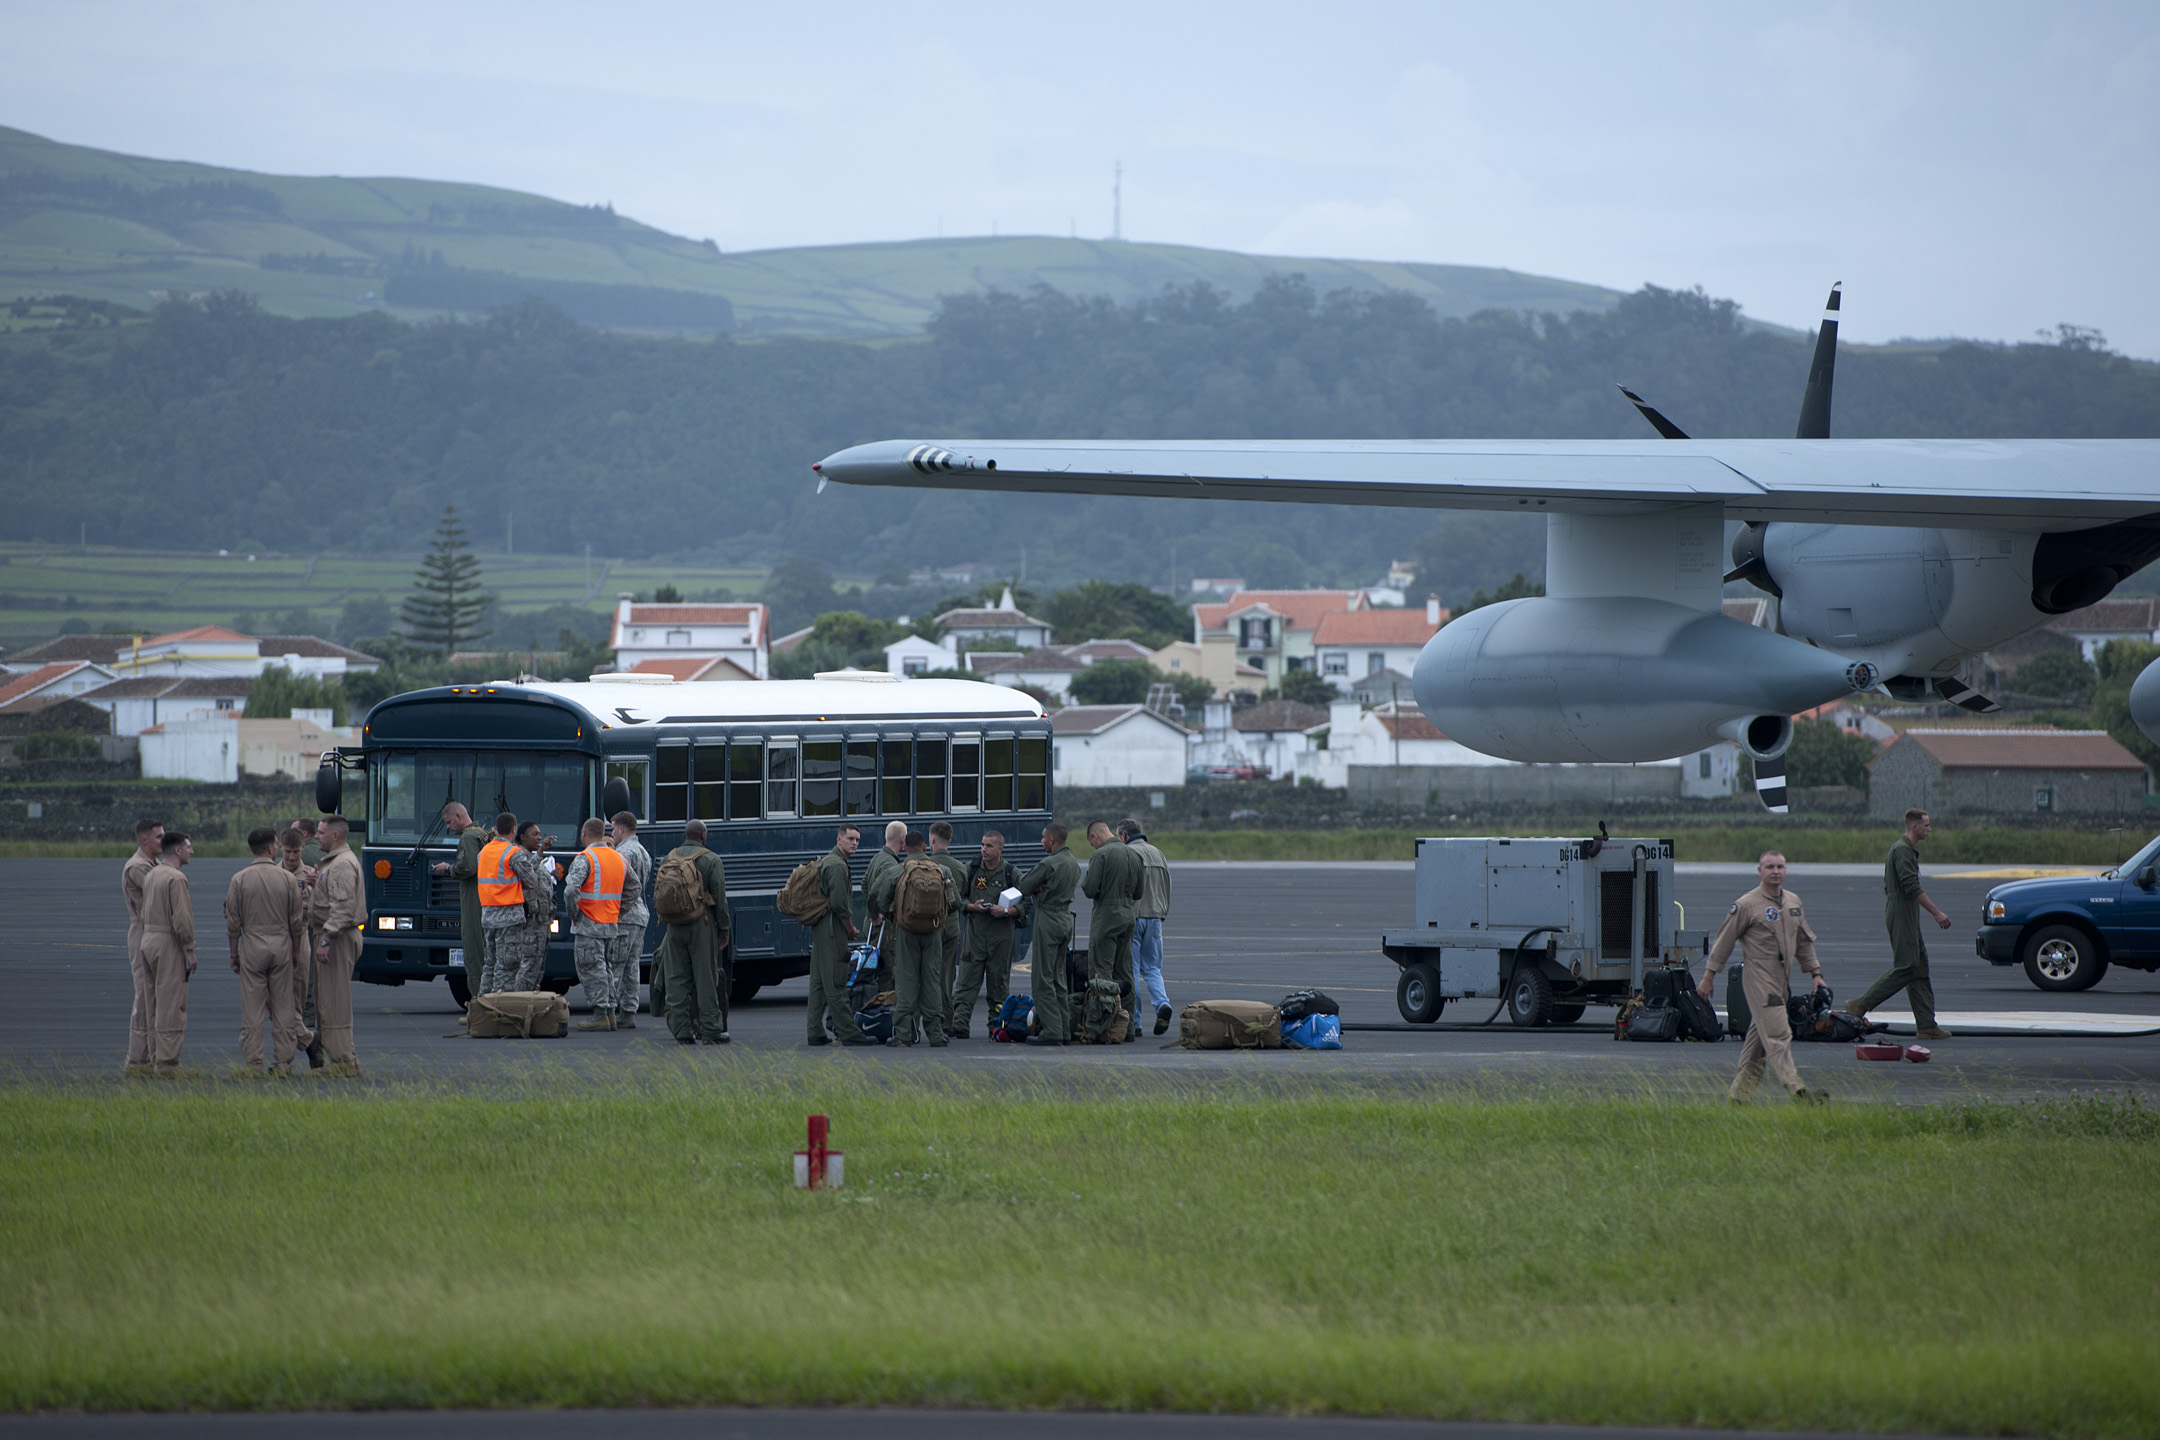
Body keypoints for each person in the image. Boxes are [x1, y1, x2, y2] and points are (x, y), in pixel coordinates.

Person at [1698, 850, 1830, 1105]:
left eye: (1780, 866)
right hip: (1759, 978)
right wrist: (1708, 976)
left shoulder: (1793, 902)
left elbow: (1804, 942)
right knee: (1779, 1035)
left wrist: (1816, 974)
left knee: (1757, 1044)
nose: (1775, 871)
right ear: (1760, 871)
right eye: (1770, 867)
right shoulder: (1746, 905)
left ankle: (1739, 1098)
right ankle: (1798, 1093)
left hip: (1782, 980)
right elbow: (1724, 941)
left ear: (1786, 870)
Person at [1847, 808, 1955, 1040]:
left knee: (1919, 967)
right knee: (1907, 966)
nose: (1929, 829)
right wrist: (1936, 912)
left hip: (1906, 910)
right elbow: (1911, 887)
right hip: (1901, 910)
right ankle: (1861, 1004)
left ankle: (1926, 1025)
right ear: (1915, 827)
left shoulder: (1904, 849)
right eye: (1926, 825)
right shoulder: (1903, 850)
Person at [225, 825, 307, 1076]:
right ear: (272, 848)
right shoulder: (288, 879)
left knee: (252, 1009)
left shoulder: (239, 879)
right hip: (281, 945)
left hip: (252, 945)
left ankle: (253, 1063)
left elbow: (233, 923)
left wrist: (234, 954)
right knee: (284, 1007)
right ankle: (283, 1063)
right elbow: (297, 922)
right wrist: (295, 953)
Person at [655, 818, 732, 1044]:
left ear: (685, 835)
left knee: (677, 979)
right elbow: (720, 898)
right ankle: (711, 1030)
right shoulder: (710, 859)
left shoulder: (669, 858)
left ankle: (681, 1030)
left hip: (674, 926)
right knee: (705, 978)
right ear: (703, 836)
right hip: (702, 924)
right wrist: (724, 928)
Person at [951, 828, 1027, 1037]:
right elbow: (956, 899)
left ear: (1000, 849)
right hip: (974, 938)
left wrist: (1005, 911)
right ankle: (960, 1025)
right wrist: (972, 907)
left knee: (998, 987)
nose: (984, 849)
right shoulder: (971, 870)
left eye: (989, 846)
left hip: (1001, 939)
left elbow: (1027, 903)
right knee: (966, 984)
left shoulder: (1011, 873)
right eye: (983, 845)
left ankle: (997, 1027)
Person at [138, 830, 198, 1077]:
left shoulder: (152, 874)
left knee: (152, 1002)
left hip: (148, 939)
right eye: (188, 847)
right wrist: (189, 949)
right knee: (172, 1004)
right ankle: (168, 1063)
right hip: (168, 942)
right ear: (178, 850)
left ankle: (155, 1058)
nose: (191, 851)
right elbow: (181, 920)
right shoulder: (176, 878)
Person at [890, 830, 957, 1047]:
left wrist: (895, 915)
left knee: (906, 980)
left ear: (904, 848)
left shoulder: (897, 870)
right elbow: (954, 902)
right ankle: (936, 1034)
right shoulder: (943, 870)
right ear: (925, 847)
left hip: (906, 932)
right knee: (932, 981)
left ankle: (904, 1034)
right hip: (934, 932)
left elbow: (878, 898)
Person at [807, 824, 873, 1045]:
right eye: (850, 838)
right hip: (832, 929)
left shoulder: (828, 861)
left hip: (821, 927)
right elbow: (839, 905)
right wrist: (850, 928)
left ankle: (815, 1031)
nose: (854, 843)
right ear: (839, 840)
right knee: (836, 981)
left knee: (818, 982)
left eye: (857, 840)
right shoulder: (837, 865)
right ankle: (849, 1032)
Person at [309, 815, 365, 1076]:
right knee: (329, 999)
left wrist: (326, 939)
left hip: (336, 938)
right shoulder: (336, 862)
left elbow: (343, 909)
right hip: (335, 935)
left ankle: (343, 1062)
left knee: (334, 1001)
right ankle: (345, 1057)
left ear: (335, 836)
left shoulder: (341, 865)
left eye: (321, 833)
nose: (316, 837)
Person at [1080, 819, 1144, 1042]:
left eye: (1092, 843)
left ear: (1095, 836)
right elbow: (1139, 892)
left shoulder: (1101, 855)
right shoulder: (1134, 855)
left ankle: (1104, 1027)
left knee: (1101, 973)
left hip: (1107, 916)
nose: (1093, 846)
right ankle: (1128, 1027)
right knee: (1125, 971)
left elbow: (1090, 889)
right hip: (1128, 915)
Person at [1017, 822, 1081, 1046]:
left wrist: (1037, 887)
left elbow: (1024, 885)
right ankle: (1064, 1029)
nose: (1042, 841)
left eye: (1044, 837)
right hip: (1065, 918)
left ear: (1052, 840)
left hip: (1049, 918)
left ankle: (1052, 1030)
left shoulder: (1049, 863)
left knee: (1042, 977)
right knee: (1059, 978)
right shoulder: (1073, 862)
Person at [564, 818, 627, 1031]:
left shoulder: (586, 858)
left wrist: (575, 913)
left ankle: (600, 1015)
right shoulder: (618, 857)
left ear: (584, 833)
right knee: (606, 968)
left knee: (592, 968)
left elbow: (570, 890)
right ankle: (609, 1014)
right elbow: (634, 887)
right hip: (610, 922)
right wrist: (619, 909)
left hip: (589, 922)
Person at [1118, 818, 1174, 1035]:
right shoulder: (1158, 853)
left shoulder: (1128, 854)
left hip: (1134, 917)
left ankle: (1135, 1022)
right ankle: (1162, 1004)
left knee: (1130, 970)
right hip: (1155, 917)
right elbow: (1167, 885)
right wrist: (1162, 912)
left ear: (1124, 836)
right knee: (1152, 968)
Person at [430, 801, 485, 1010]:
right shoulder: (481, 834)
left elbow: (468, 867)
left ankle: (479, 1004)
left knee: (473, 954)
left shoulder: (468, 838)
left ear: (459, 817)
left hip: (474, 902)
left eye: (449, 822)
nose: (448, 827)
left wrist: (448, 869)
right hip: (483, 900)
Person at [119, 817, 163, 1076]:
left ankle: (152, 1056)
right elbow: (159, 892)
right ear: (143, 840)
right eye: (159, 836)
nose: (163, 841)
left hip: (153, 929)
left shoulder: (153, 865)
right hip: (143, 929)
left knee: (154, 995)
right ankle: (137, 1059)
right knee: (144, 996)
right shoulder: (138, 867)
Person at [278, 827, 323, 1068]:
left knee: (295, 1002)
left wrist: (317, 888)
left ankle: (284, 1060)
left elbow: (322, 912)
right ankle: (307, 1042)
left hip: (301, 939)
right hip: (276, 940)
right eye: (288, 852)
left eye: (296, 852)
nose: (292, 857)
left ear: (303, 848)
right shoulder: (272, 874)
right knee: (277, 1003)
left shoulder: (311, 876)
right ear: (280, 849)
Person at [477, 813, 534, 995]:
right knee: (508, 966)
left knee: (490, 964)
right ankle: (499, 1005)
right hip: (509, 918)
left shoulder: (483, 852)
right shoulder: (513, 853)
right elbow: (532, 881)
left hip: (488, 917)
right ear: (514, 830)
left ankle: (482, 1002)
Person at [926, 821, 970, 1036]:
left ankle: (923, 1018)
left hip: (927, 924)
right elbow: (960, 898)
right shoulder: (960, 868)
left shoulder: (924, 865)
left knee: (925, 972)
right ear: (950, 840)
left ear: (932, 839)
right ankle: (946, 1019)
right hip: (951, 924)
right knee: (947, 973)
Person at [609, 812, 652, 1028]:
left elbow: (619, 885)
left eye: (613, 829)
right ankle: (628, 1012)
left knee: (615, 965)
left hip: (625, 916)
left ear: (621, 829)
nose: (611, 834)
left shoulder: (622, 853)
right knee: (632, 966)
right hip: (640, 915)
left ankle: (608, 1011)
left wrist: (618, 911)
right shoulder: (643, 851)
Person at [511, 821, 560, 992]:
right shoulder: (519, 856)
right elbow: (527, 874)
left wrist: (551, 875)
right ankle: (519, 1000)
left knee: (538, 966)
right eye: (535, 834)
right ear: (523, 837)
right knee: (528, 966)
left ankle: (532, 999)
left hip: (542, 922)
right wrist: (540, 853)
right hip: (530, 923)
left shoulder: (533, 857)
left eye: (540, 834)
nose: (539, 838)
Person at [863, 818, 908, 958]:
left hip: (871, 927)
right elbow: (874, 892)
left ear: (885, 836)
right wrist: (875, 913)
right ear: (903, 840)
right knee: (888, 969)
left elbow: (865, 885)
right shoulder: (890, 864)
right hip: (883, 929)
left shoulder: (877, 857)